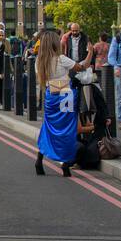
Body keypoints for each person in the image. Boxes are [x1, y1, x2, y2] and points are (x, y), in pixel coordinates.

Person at [34, 30, 88, 176]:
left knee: (49, 128)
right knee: (67, 130)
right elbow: (80, 67)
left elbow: (42, 80)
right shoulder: (61, 59)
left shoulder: (39, 60)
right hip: (65, 94)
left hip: (50, 95)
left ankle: (40, 159)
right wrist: (90, 54)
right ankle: (65, 164)